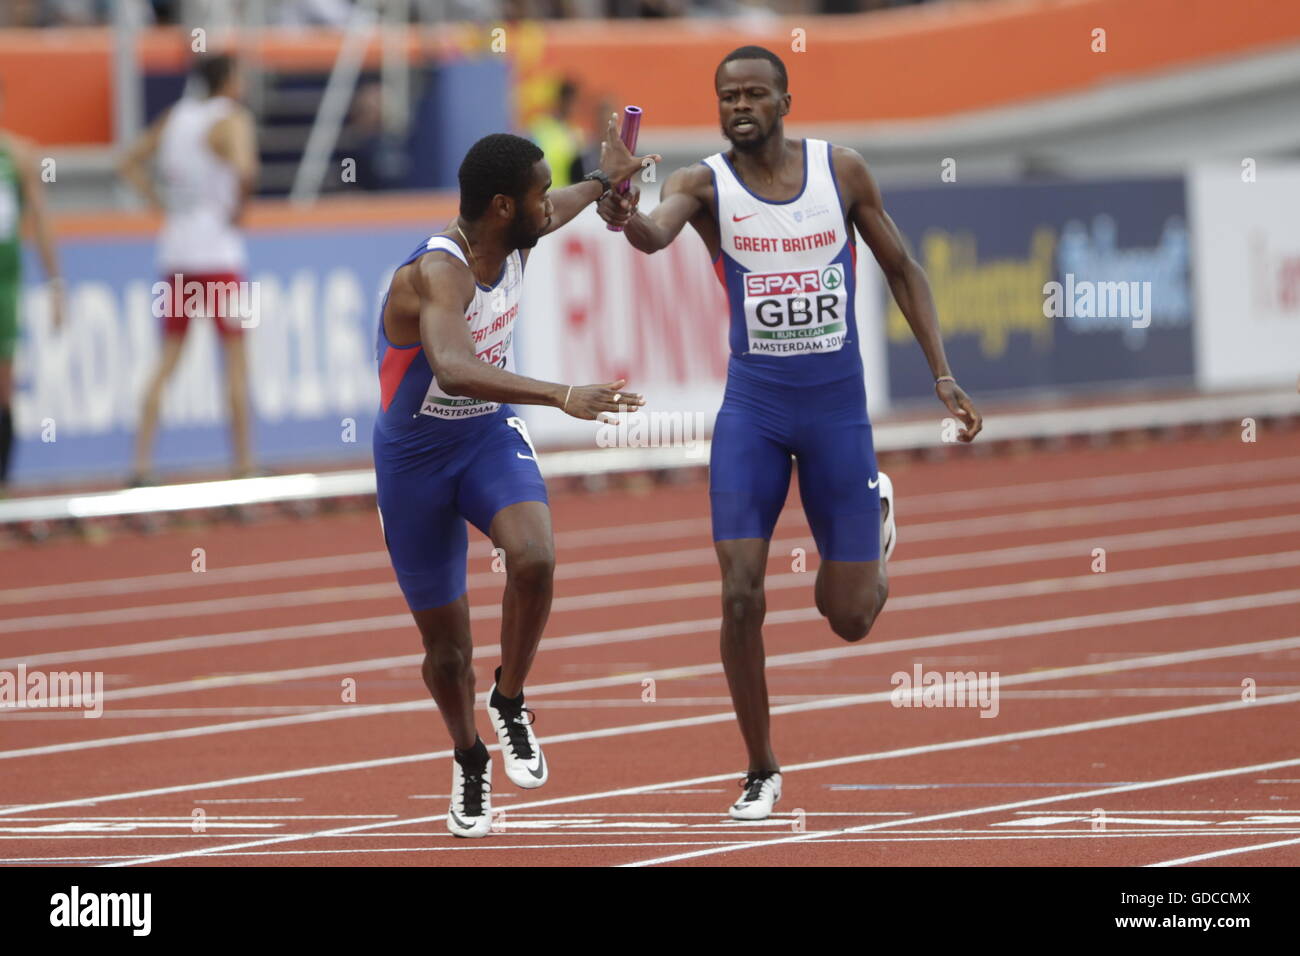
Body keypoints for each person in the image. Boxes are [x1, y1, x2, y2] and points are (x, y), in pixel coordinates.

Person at [597, 45, 983, 820]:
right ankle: (760, 766)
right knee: (740, 593)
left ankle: (871, 511)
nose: (739, 106)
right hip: (756, 414)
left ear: (785, 101)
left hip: (837, 411)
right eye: (727, 96)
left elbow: (904, 267)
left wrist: (941, 373)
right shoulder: (701, 183)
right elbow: (650, 235)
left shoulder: (841, 173)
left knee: (850, 617)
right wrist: (621, 205)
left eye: (754, 94)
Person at [374, 123, 656, 837]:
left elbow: (564, 207)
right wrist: (563, 394)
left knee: (534, 557)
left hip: (484, 439)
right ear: (503, 206)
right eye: (539, 194)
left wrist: (605, 181)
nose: (549, 204)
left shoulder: (517, 232)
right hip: (413, 463)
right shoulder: (437, 272)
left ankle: (510, 698)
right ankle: (469, 756)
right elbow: (452, 367)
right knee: (447, 653)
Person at [119, 53, 259, 486]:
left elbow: (127, 162)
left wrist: (159, 203)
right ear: (228, 81)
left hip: (176, 252)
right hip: (219, 255)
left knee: (167, 358)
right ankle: (243, 463)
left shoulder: (175, 117)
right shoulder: (231, 119)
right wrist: (238, 209)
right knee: (235, 359)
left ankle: (141, 463)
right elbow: (247, 170)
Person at [0, 79, 64, 492]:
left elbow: (40, 221)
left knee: (3, 386)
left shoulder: (19, 155)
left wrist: (56, 282)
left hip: (4, 285)